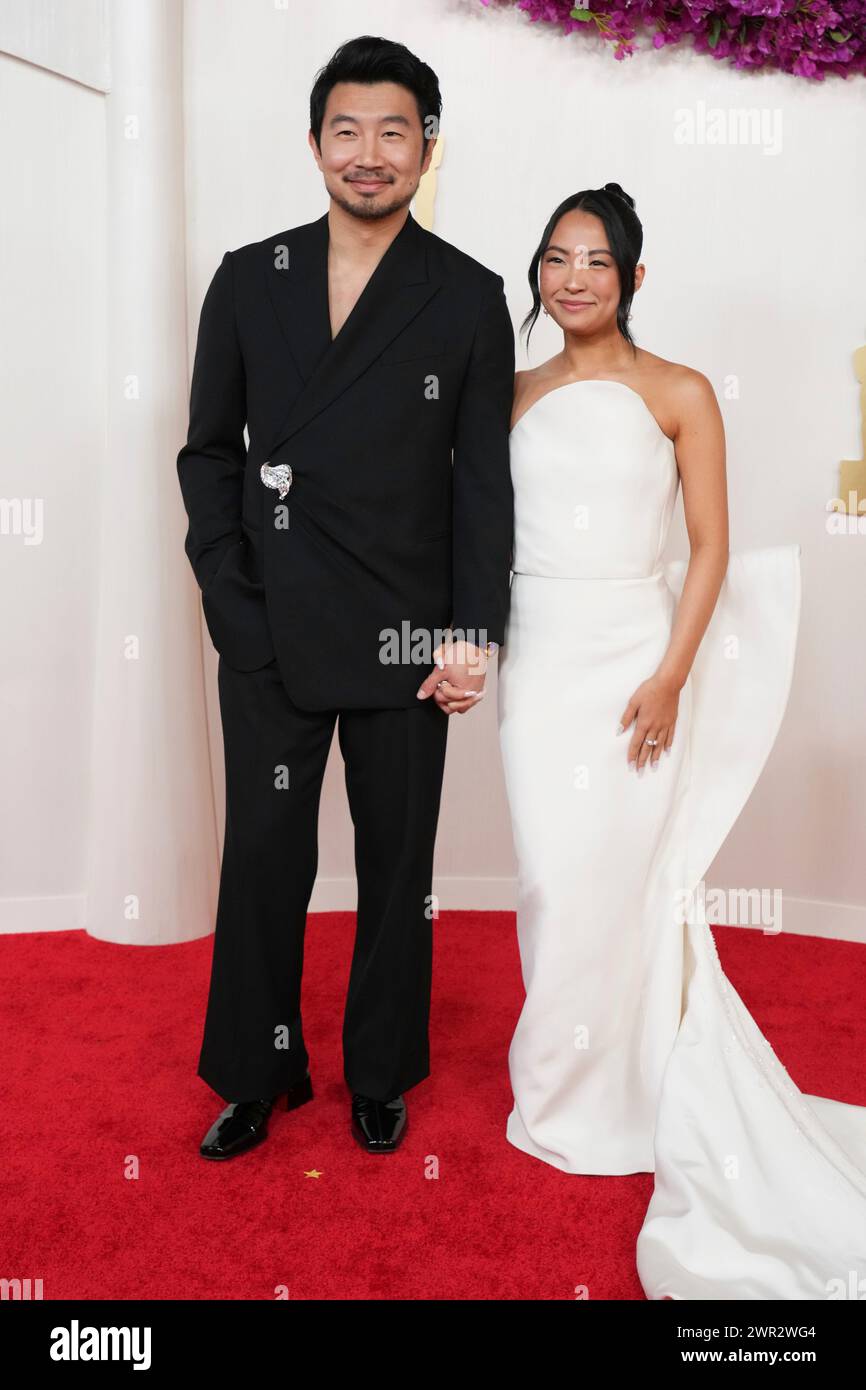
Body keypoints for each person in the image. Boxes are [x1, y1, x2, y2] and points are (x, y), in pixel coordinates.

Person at [497, 183, 866, 1297]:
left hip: (630, 662)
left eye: (597, 261)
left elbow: (707, 546)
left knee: (622, 877)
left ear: (634, 278)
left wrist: (668, 676)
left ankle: (626, 1084)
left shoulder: (679, 391)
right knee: (551, 877)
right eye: (556, 257)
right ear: (538, 272)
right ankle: (560, 1082)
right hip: (536, 658)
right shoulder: (506, 394)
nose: (573, 277)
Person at [177, 35, 514, 1160]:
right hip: (271, 619)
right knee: (263, 854)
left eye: (393, 131)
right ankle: (255, 1074)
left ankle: (380, 1070)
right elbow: (207, 458)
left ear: (427, 146)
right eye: (346, 130)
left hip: (410, 630)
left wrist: (472, 634)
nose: (368, 155)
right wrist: (232, 606)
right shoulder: (246, 276)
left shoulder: (465, 296)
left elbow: (481, 482)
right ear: (314, 141)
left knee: (397, 864)